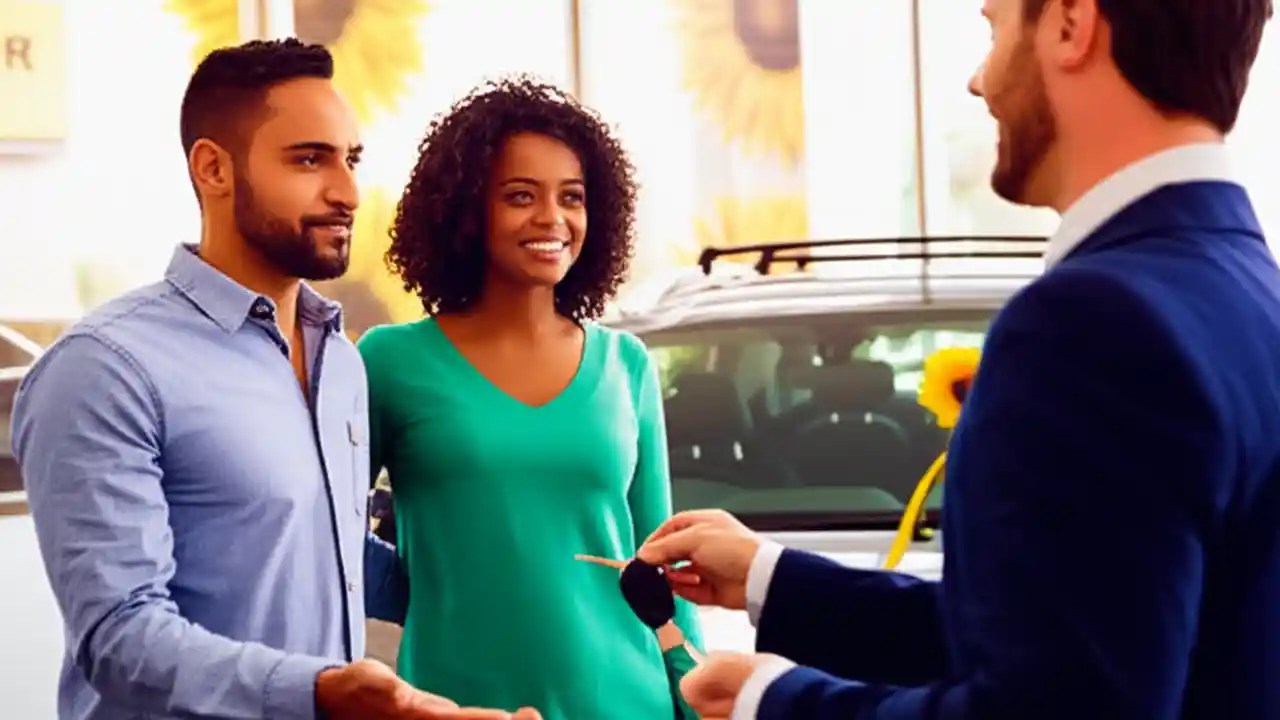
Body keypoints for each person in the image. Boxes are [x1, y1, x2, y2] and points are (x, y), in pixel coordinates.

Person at [635, 0, 1280, 718]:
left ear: (1071, 25)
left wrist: (775, 702)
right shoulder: (1248, 291)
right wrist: (774, 577)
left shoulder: (1090, 322)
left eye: (995, 27)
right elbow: (1073, 636)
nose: (979, 82)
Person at [10, 39, 535, 720]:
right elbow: (120, 636)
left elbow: (324, 553)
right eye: (309, 159)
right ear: (213, 169)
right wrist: (319, 693)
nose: (347, 192)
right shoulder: (106, 367)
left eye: (352, 160)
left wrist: (494, 570)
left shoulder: (340, 361)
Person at [356, 76, 704, 719]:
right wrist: (427, 586)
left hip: (627, 700)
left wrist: (694, 689)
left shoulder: (624, 364)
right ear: (466, 208)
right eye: (521, 196)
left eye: (571, 198)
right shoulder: (389, 361)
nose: (553, 219)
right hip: (453, 702)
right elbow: (324, 532)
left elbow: (662, 558)